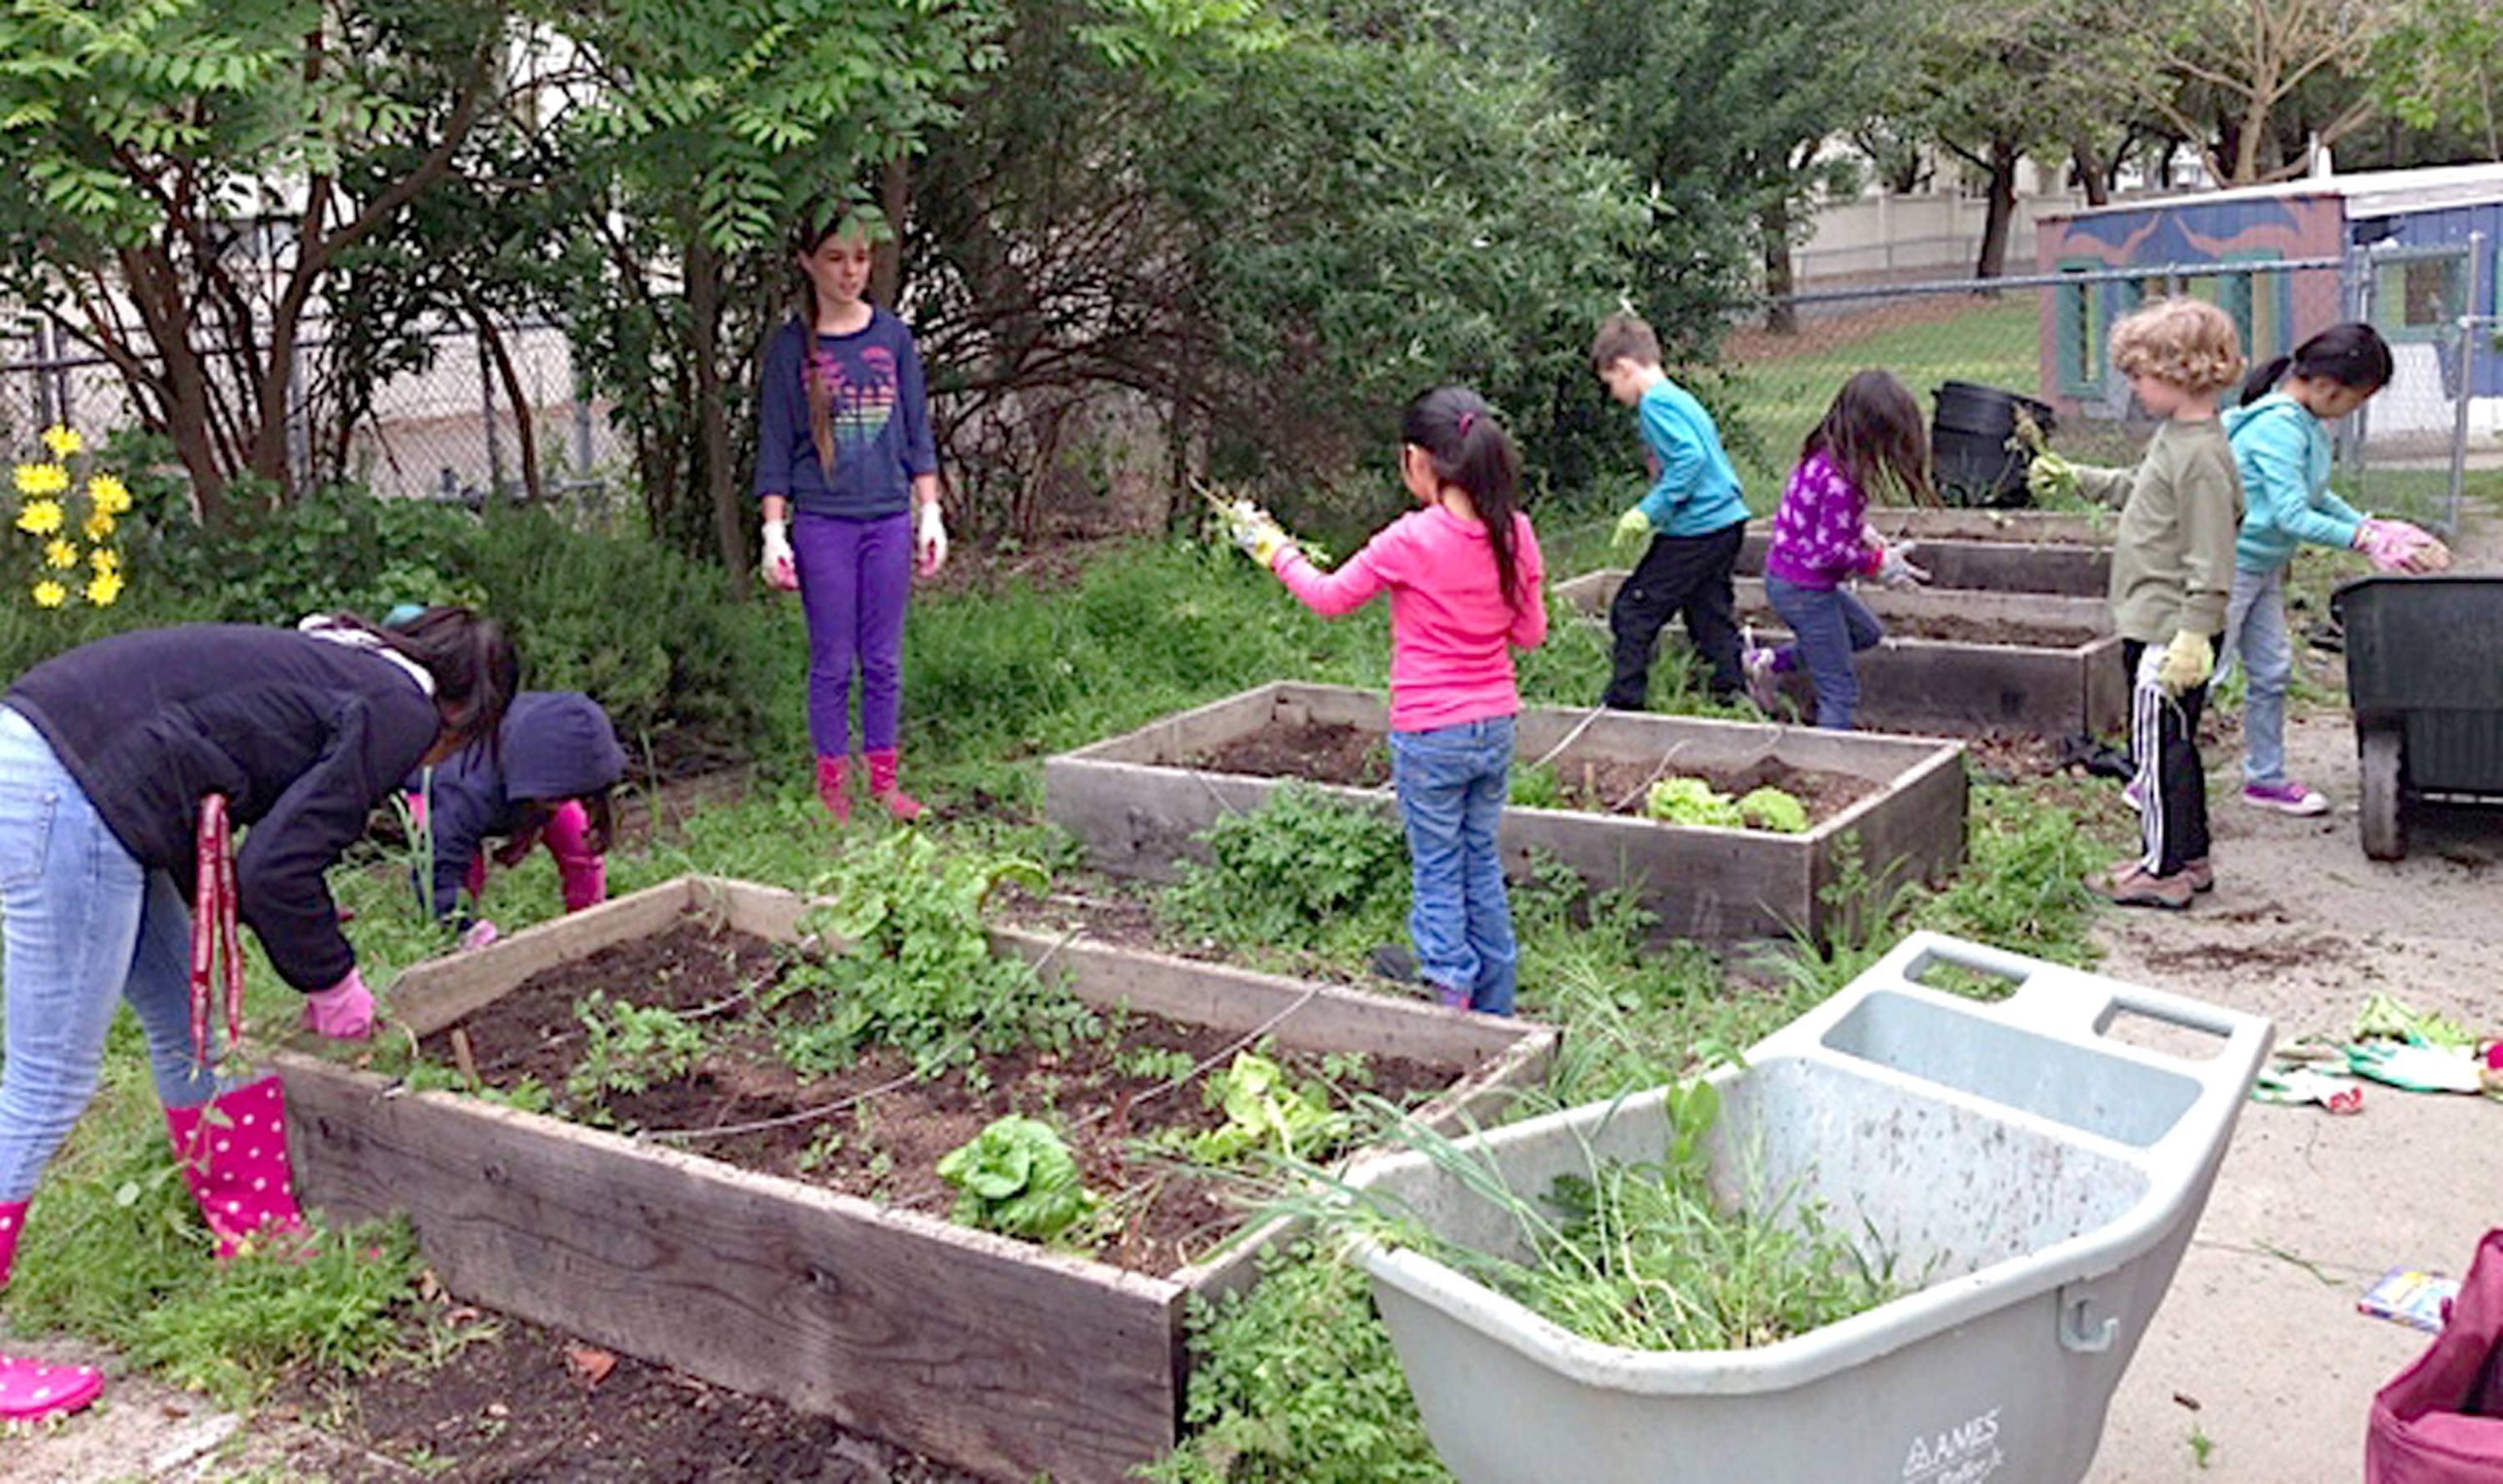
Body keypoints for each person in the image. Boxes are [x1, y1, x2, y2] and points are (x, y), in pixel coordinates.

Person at [0, 608, 518, 1421]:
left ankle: (259, 1238)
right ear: (469, 715)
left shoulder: (339, 666)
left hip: (71, 769)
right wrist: (334, 985)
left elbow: (208, 771)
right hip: (70, 792)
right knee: (48, 1080)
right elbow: (276, 868)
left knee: (195, 1027)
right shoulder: (399, 706)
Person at [1230, 387, 1545, 1014]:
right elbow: (1529, 634)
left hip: (1431, 732)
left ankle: (1449, 994)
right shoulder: (1516, 531)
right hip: (1495, 726)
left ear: (1418, 461)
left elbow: (1328, 596)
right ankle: (1496, 1001)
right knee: (1478, 859)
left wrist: (1270, 547)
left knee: (1436, 866)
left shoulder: (1410, 539)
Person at [753, 201, 948, 823]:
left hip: (888, 520)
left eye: (860, 258)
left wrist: (930, 513)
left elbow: (918, 429)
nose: (849, 272)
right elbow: (777, 445)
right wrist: (774, 531)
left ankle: (883, 784)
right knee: (833, 661)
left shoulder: (893, 337)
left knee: (884, 658)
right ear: (808, 262)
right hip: (824, 526)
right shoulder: (792, 349)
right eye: (835, 258)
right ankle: (832, 790)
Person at [2055, 298, 2249, 908]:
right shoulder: (2180, 438)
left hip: (2171, 632)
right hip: (2167, 625)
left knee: (2156, 752)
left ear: (2179, 371)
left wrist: (2193, 633)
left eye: (2139, 375)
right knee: (2177, 745)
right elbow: (2140, 491)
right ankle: (2188, 855)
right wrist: (2076, 478)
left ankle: (2160, 869)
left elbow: (2211, 555)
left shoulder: (2199, 459)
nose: (2133, 386)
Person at [2221, 322, 2450, 816]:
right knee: (2205, 674)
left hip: (2263, 566)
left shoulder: (2305, 423)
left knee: (2272, 670)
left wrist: (2370, 524)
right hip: (2227, 567)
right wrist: (2363, 540)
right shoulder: (2278, 425)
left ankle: (2264, 778)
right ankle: (2152, 776)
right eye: (2357, 400)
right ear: (2327, 387)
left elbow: (2317, 494)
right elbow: (2292, 514)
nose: (2354, 411)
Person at [1743, 370, 1933, 728]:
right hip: (1804, 589)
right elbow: (1828, 553)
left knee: (1866, 634)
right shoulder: (1840, 480)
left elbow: (1816, 521)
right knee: (1839, 690)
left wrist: (1862, 533)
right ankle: (1829, 764)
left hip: (1791, 578)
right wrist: (1878, 563)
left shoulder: (1823, 456)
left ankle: (1766, 664)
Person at [1592, 313, 1751, 710]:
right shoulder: (1681, 398)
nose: (1613, 393)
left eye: (1611, 382)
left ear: (1625, 368)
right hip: (1726, 522)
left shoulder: (1655, 405)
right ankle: (1731, 697)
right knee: (1708, 615)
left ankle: (1623, 706)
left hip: (1697, 528)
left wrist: (1649, 510)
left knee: (1633, 610)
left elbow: (1690, 459)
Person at [409, 691, 626, 946]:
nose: (562, 803)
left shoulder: (552, 754)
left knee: (576, 835)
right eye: (558, 797)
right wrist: (459, 924)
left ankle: (589, 922)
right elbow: (440, 862)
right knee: (465, 869)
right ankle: (459, 934)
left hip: (522, 782)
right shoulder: (465, 793)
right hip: (440, 788)